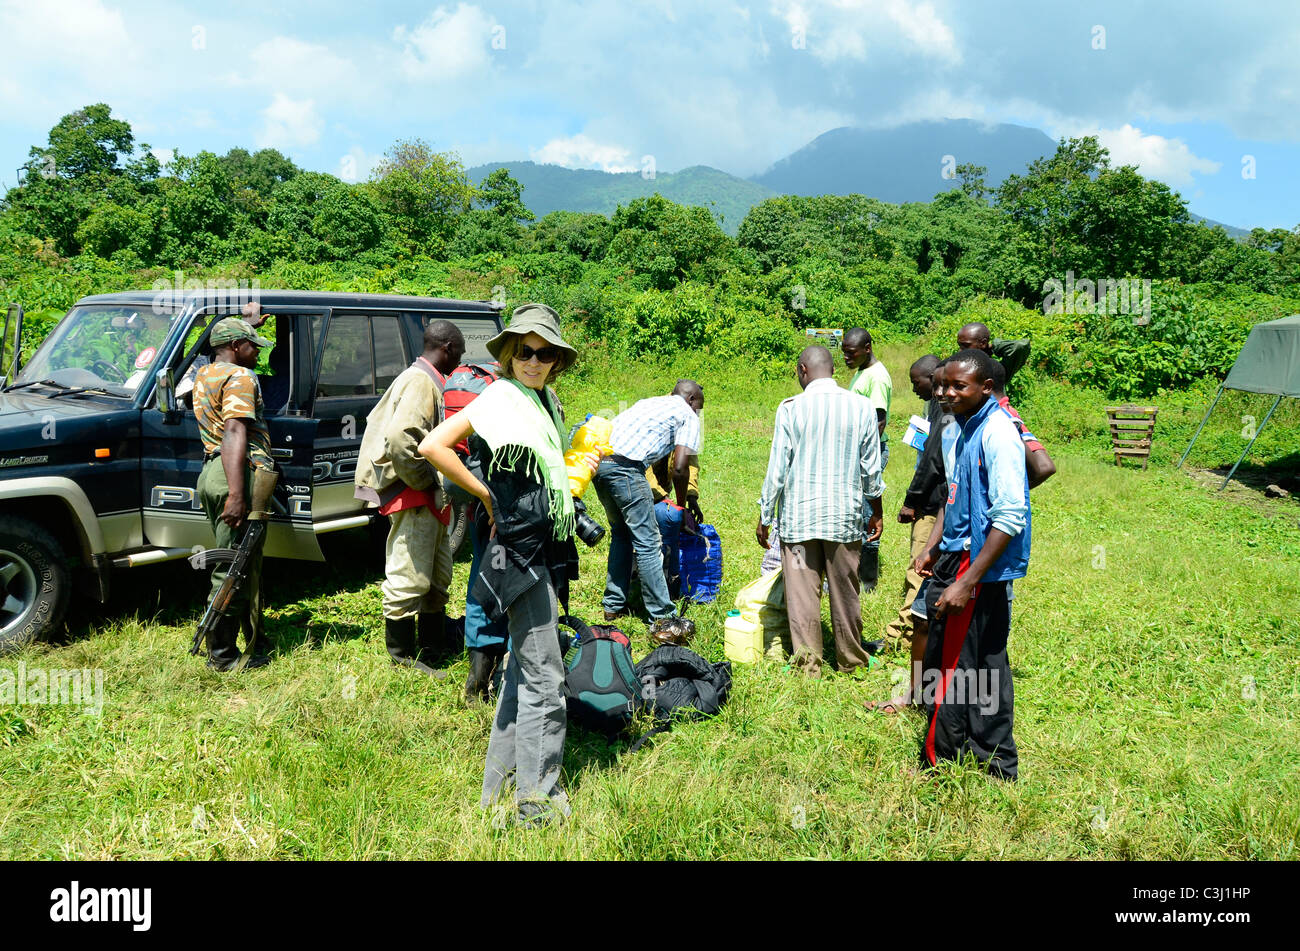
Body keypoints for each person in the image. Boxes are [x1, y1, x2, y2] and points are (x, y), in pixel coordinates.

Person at [419, 303, 580, 828]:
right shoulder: (499, 397)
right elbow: (433, 445)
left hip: (541, 543)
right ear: (510, 355)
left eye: (545, 353)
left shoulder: (543, 401)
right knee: (545, 677)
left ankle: (501, 787)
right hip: (516, 549)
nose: (535, 361)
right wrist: (484, 494)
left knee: (524, 673)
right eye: (526, 352)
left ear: (556, 360)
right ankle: (535, 802)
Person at [912, 348, 1030, 781]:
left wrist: (966, 582)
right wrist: (934, 546)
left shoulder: (997, 433)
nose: (947, 392)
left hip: (974, 568)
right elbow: (955, 495)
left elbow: (1010, 516)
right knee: (985, 664)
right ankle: (993, 759)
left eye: (959, 386)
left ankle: (939, 759)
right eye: (944, 384)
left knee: (954, 667)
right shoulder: (965, 428)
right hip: (958, 557)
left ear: (986, 387)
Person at [756, 345, 884, 678]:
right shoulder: (862, 407)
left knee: (802, 595)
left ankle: (807, 665)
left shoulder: (790, 409)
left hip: (798, 524)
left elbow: (777, 469)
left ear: (802, 370)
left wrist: (765, 515)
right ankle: (852, 661)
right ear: (832, 370)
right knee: (845, 592)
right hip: (844, 521)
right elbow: (871, 469)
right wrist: (877, 510)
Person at [355, 320, 466, 679]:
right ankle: (401, 654)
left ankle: (432, 644)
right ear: (447, 347)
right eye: (460, 353)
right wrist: (427, 481)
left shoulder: (424, 377)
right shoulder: (420, 381)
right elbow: (402, 439)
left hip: (423, 493)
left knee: (437, 574)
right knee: (409, 574)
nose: (461, 361)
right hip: (411, 493)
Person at [192, 317, 276, 671]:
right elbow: (234, 431)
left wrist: (247, 322)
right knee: (233, 567)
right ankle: (222, 655)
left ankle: (252, 637)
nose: (258, 352)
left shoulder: (205, 373)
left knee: (243, 560)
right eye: (253, 345)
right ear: (236, 347)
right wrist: (238, 495)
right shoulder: (241, 377)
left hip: (213, 473)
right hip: (235, 474)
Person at [592, 381, 704, 623]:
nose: (698, 413)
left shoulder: (649, 403)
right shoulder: (687, 414)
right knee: (648, 544)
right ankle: (663, 616)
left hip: (599, 466)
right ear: (692, 399)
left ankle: (613, 605)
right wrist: (681, 507)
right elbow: (681, 467)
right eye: (699, 407)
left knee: (621, 534)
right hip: (626, 470)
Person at [882, 355, 944, 658]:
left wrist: (912, 500)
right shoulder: (937, 405)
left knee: (919, 567)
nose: (913, 387)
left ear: (932, 377)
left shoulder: (942, 406)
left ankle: (901, 635)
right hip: (936, 501)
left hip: (933, 504)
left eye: (916, 381)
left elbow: (933, 461)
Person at [841, 327, 891, 592]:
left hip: (869, 453)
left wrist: (864, 459)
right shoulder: (863, 372)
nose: (846, 358)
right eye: (844, 353)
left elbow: (878, 422)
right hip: (857, 452)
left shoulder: (878, 377)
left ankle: (868, 580)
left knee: (867, 513)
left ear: (867, 348)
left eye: (851, 353)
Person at [646, 453, 702, 600]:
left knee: (669, 520)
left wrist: (691, 495)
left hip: (662, 487)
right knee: (667, 519)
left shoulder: (686, 430)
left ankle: (670, 588)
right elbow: (641, 464)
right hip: (638, 483)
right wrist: (663, 499)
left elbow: (688, 462)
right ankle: (662, 595)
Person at [957, 322, 1031, 384]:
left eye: (966, 345)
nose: (960, 350)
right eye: (960, 345)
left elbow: (1020, 346)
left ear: (983, 343)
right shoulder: (957, 365)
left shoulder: (995, 372)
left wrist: (994, 346)